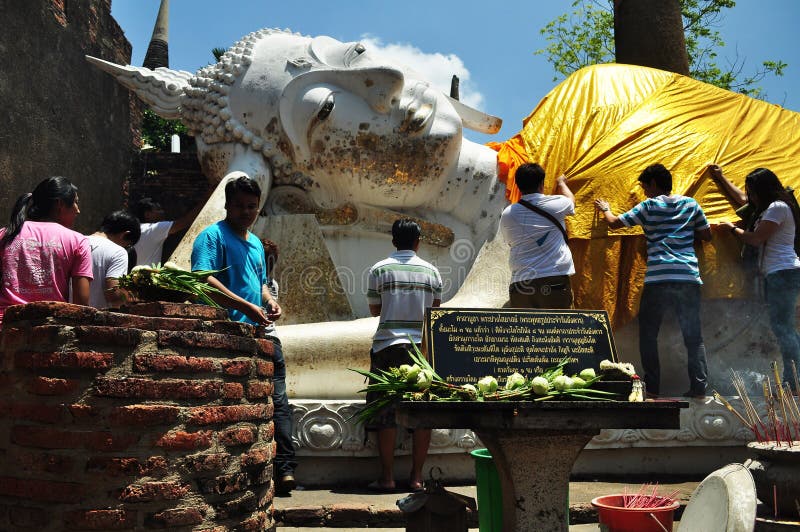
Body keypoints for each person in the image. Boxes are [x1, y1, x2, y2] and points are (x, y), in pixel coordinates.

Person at [595, 163, 712, 398]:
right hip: (687, 277)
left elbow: (614, 223)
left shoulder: (648, 206)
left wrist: (606, 209)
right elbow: (706, 235)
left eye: (645, 187)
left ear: (654, 184)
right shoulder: (691, 204)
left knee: (648, 335)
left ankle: (653, 388)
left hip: (658, 278)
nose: (644, 192)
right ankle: (699, 387)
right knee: (693, 337)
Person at [366, 219, 442, 492]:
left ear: (393, 240)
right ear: (418, 241)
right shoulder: (432, 272)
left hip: (387, 347)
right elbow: (435, 310)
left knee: (385, 414)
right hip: (421, 350)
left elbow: (375, 310)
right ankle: (417, 478)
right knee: (422, 414)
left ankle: (387, 478)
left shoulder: (379, 269)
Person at [710, 165, 800, 389]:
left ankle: (793, 379)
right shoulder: (765, 208)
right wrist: (721, 177)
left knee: (784, 328)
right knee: (782, 327)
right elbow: (743, 199)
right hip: (775, 274)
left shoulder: (778, 207)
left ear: (763, 190)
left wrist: (732, 229)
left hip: (784, 272)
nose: (750, 196)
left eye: (753, 191)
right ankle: (793, 377)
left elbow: (756, 239)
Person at [0, 176, 93, 325]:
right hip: (50, 329)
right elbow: (81, 305)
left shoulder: (5, 234)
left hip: (5, 326)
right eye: (75, 202)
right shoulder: (78, 241)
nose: (78, 210)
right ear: (60, 204)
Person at [190, 175, 275, 326]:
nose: (246, 212)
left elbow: (261, 284)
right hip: (220, 328)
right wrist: (246, 307)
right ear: (227, 205)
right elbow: (203, 280)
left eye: (251, 206)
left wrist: (269, 301)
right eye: (239, 206)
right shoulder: (212, 236)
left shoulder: (257, 243)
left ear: (258, 208)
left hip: (252, 330)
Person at [499, 163, 576, 308]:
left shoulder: (508, 214)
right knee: (558, 322)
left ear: (518, 186)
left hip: (521, 283)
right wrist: (561, 183)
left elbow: (510, 242)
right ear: (542, 184)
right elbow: (571, 201)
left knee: (524, 323)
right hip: (554, 280)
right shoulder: (557, 204)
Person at [258, 238, 297, 494]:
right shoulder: (273, 285)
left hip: (255, 340)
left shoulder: (249, 282)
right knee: (280, 406)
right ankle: (286, 469)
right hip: (275, 342)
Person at [132, 191, 209, 266]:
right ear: (147, 214)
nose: (162, 212)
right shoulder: (153, 229)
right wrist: (207, 199)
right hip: (145, 274)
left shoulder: (135, 228)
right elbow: (185, 222)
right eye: (158, 209)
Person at [87, 210, 141, 308]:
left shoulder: (77, 241)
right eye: (127, 245)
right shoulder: (118, 252)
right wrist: (133, 296)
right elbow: (114, 295)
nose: (126, 248)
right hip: (95, 314)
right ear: (125, 234)